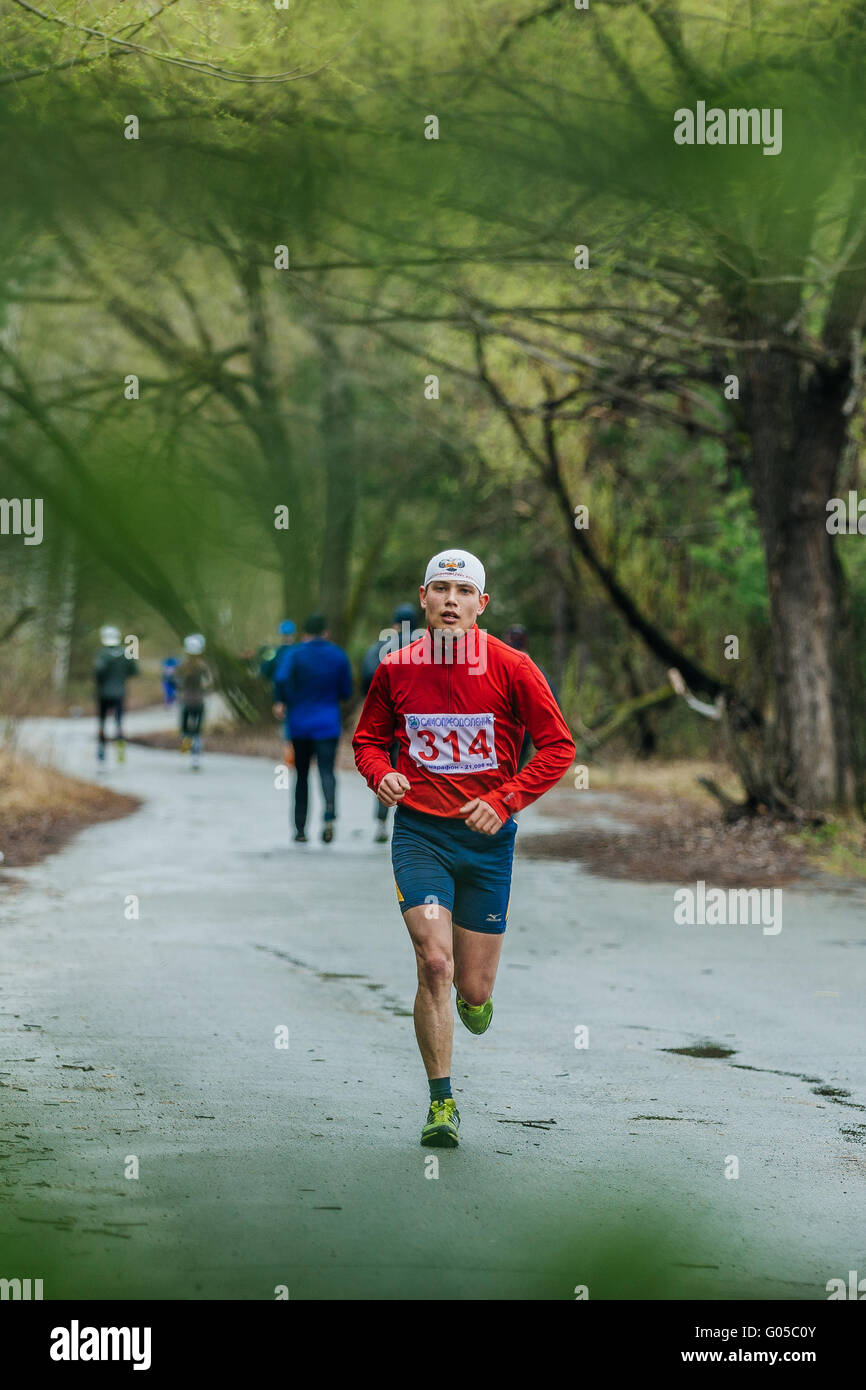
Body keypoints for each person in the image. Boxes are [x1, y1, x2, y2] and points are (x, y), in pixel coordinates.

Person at [353, 549, 576, 1149]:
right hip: (421, 835)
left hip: (488, 843)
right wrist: (382, 775)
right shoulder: (396, 669)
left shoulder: (513, 667)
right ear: (423, 599)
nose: (450, 599)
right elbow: (368, 739)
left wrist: (505, 800)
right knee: (434, 962)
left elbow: (558, 748)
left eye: (463, 590)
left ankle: (476, 1005)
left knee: (473, 989)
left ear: (482, 603)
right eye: (439, 588)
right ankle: (441, 1103)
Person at [273, 613, 353, 844]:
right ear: (325, 632)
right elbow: (346, 691)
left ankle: (300, 828)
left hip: (299, 725)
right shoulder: (338, 655)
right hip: (328, 724)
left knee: (302, 775)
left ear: (305, 633)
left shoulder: (294, 654)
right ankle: (329, 816)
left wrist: (284, 700)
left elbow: (281, 679)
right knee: (327, 772)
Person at [360, 602, 417, 842]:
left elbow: (366, 675)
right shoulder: (430, 646)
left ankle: (382, 822)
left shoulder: (381, 647)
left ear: (395, 623)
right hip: (416, 721)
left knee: (385, 768)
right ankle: (415, 820)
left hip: (387, 718)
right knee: (414, 768)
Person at [501, 623, 561, 770]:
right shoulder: (536, 669)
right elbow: (554, 701)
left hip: (515, 727)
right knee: (515, 767)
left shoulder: (504, 665)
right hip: (524, 728)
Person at [94, 625, 138, 764]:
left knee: (102, 723)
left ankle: (101, 752)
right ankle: (120, 748)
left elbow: (98, 672)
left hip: (103, 694)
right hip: (120, 693)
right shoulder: (125, 653)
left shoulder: (102, 653)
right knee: (119, 723)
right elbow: (134, 671)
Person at [175, 634, 212, 769]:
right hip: (199, 701)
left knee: (185, 727)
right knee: (197, 728)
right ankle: (196, 754)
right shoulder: (203, 666)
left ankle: (187, 743)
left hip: (186, 701)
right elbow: (209, 683)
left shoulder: (182, 666)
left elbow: (176, 682)